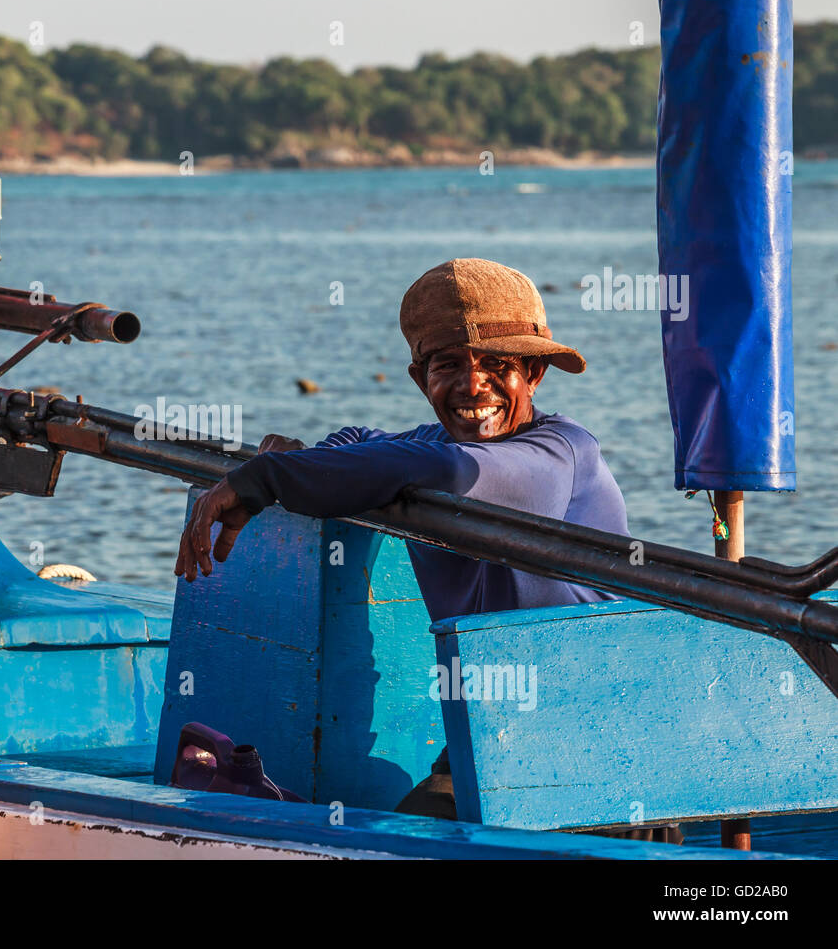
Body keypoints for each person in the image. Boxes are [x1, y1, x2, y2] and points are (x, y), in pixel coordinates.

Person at [174, 257, 681, 843]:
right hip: (485, 748)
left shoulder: (560, 454)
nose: (473, 386)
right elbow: (361, 442)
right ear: (421, 379)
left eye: (499, 366)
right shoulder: (426, 445)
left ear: (535, 374)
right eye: (448, 366)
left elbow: (447, 468)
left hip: (598, 754)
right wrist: (303, 459)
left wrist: (265, 478)